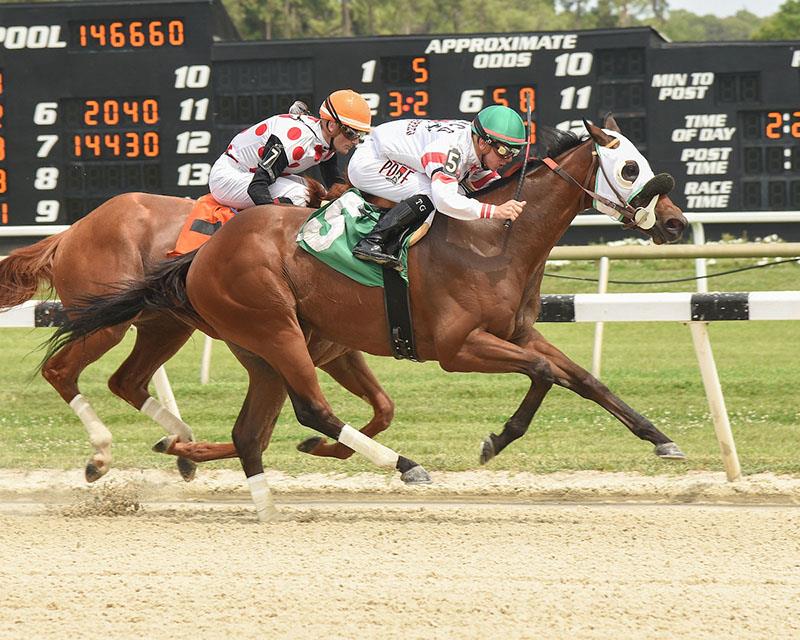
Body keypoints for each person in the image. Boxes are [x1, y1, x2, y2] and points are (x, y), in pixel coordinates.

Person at [349, 105, 528, 270]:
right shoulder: (451, 150)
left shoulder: (473, 143)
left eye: (515, 152)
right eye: (504, 151)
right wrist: (494, 212)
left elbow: (489, 185)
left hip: (389, 150)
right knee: (433, 192)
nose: (509, 159)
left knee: (459, 190)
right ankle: (373, 241)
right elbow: (445, 201)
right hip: (371, 160)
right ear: (483, 143)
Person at [208, 89, 371, 209]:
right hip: (228, 177)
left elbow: (335, 186)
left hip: (250, 175)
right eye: (351, 133)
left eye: (361, 135)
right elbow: (257, 188)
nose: (356, 141)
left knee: (320, 192)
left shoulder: (327, 142)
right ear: (331, 125)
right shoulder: (293, 142)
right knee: (302, 196)